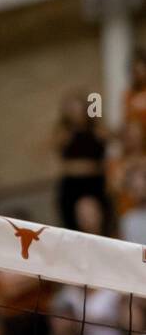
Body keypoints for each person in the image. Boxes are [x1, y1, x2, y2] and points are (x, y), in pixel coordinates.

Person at [53, 88, 108, 230]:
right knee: (72, 225)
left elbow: (109, 137)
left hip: (95, 182)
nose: (75, 112)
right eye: (71, 108)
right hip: (72, 184)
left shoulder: (97, 129)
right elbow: (52, 147)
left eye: (78, 106)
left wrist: (95, 114)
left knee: (101, 222)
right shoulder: (64, 132)